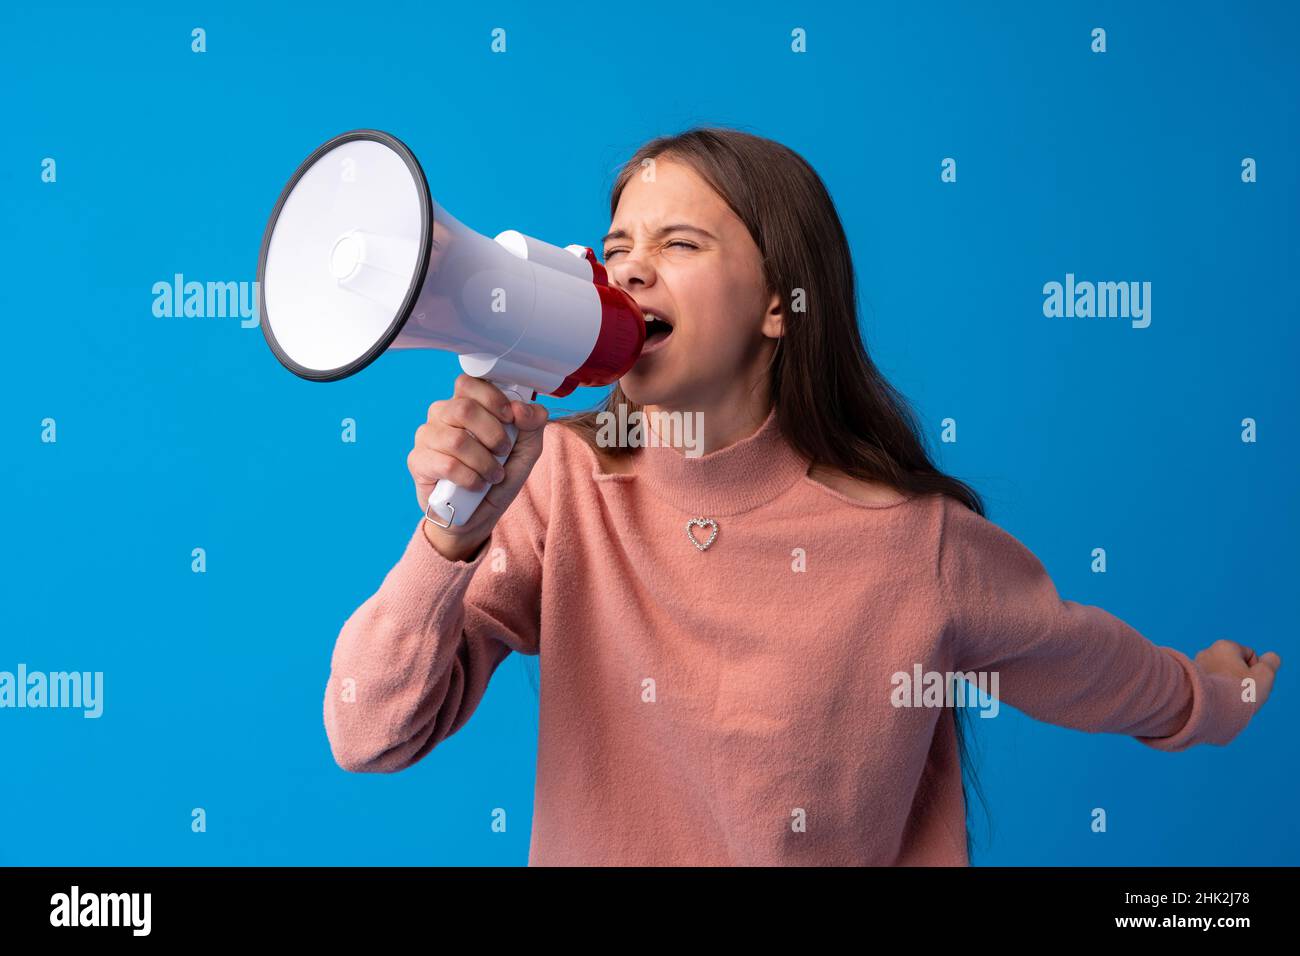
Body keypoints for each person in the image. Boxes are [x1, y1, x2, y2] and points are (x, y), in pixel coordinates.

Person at [322, 127, 1281, 866]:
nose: (630, 270)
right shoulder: (562, 489)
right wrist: (448, 539)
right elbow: (368, 732)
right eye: (616, 248)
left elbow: (1086, 661)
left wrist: (1211, 694)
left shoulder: (913, 545)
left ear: (782, 303)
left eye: (681, 242)